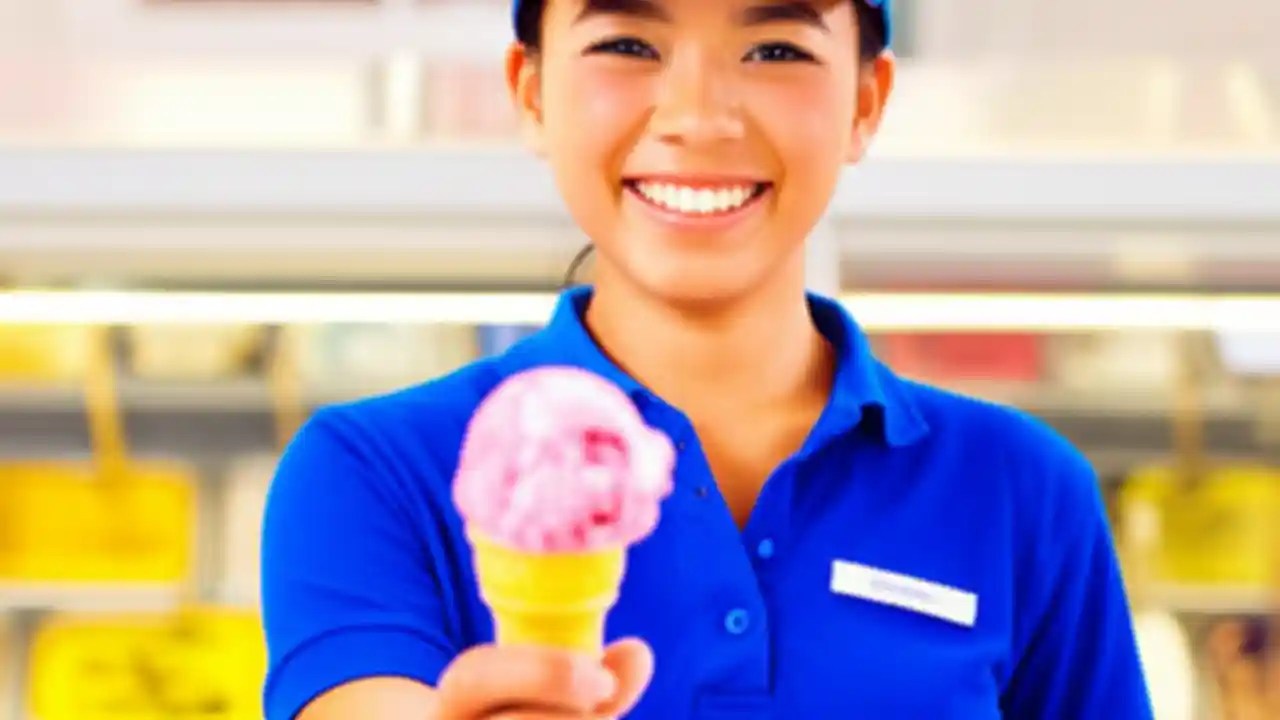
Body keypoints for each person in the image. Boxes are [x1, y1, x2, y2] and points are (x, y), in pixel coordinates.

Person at [260, 0, 1155, 717]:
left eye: (775, 49)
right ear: (531, 92)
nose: (698, 116)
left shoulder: (1021, 489)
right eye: (625, 42)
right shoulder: (373, 472)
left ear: (866, 102)